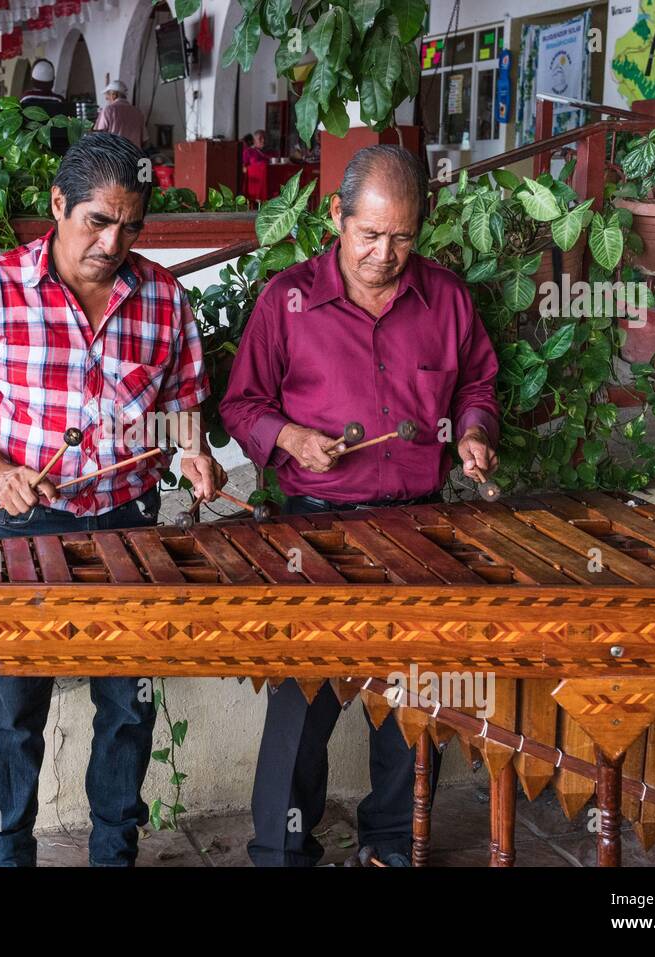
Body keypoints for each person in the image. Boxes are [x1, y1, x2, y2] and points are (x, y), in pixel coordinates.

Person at [0, 132, 227, 867]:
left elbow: (182, 408)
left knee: (127, 706)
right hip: (28, 522)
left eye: (130, 226)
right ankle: (7, 856)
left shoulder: (165, 299)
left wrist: (192, 451)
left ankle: (114, 854)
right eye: (97, 221)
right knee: (15, 708)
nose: (114, 242)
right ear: (58, 206)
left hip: (129, 523)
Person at [219, 144, 501, 868]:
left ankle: (391, 846)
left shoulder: (447, 298)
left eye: (403, 237)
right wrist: (287, 437)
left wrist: (472, 433)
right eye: (370, 234)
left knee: (415, 702)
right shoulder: (287, 300)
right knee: (302, 702)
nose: (385, 253)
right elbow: (241, 403)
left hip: (419, 524)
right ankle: (281, 850)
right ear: (336, 219)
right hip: (314, 525)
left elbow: (476, 384)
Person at [92, 80, 147, 148]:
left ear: (114, 95)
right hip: (134, 155)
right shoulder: (138, 112)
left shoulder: (108, 110)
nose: (107, 99)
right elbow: (144, 140)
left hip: (114, 155)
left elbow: (98, 134)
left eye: (108, 95)